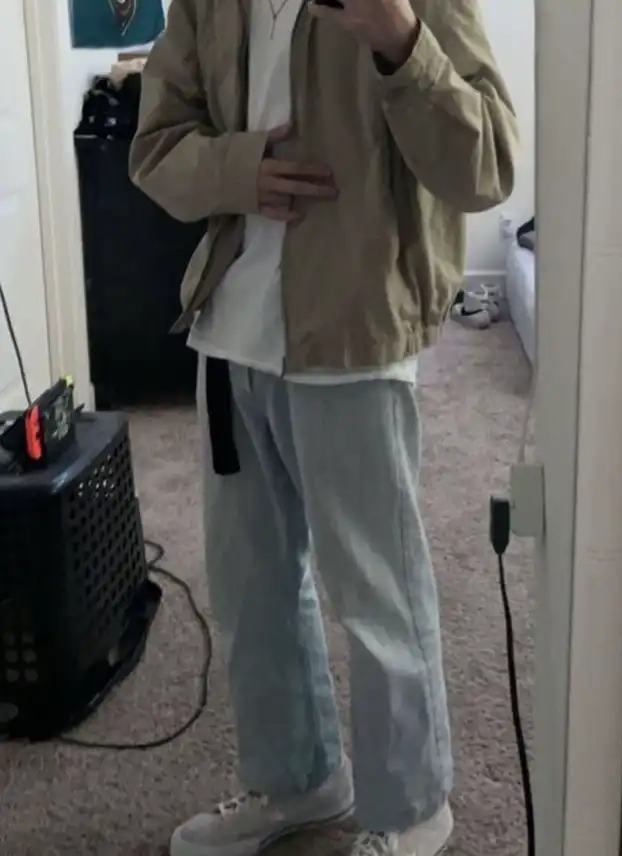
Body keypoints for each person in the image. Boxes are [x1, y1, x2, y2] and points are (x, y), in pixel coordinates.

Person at [130, 0, 517, 853]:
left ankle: (413, 808)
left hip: (354, 327)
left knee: (376, 590)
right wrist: (240, 172)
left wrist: (401, 43)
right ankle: (297, 781)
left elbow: (487, 166)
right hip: (229, 327)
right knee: (251, 587)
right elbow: (155, 147)